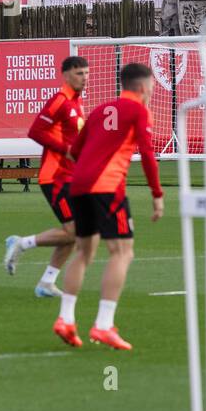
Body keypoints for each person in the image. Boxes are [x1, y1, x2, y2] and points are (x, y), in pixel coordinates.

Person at [52, 62, 165, 350]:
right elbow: (149, 154)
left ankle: (65, 318)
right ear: (142, 87)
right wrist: (157, 194)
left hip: (77, 186)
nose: (152, 92)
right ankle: (103, 325)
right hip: (107, 187)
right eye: (152, 87)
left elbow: (75, 151)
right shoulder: (139, 110)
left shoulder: (101, 109)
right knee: (122, 252)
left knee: (84, 250)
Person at [4, 56, 89, 296]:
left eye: (85, 73)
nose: (84, 78)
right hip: (55, 177)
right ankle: (20, 243)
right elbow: (35, 131)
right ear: (65, 75)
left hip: (71, 176)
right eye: (78, 73)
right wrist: (67, 150)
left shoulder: (76, 103)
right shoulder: (60, 101)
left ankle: (46, 283)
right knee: (74, 232)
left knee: (74, 233)